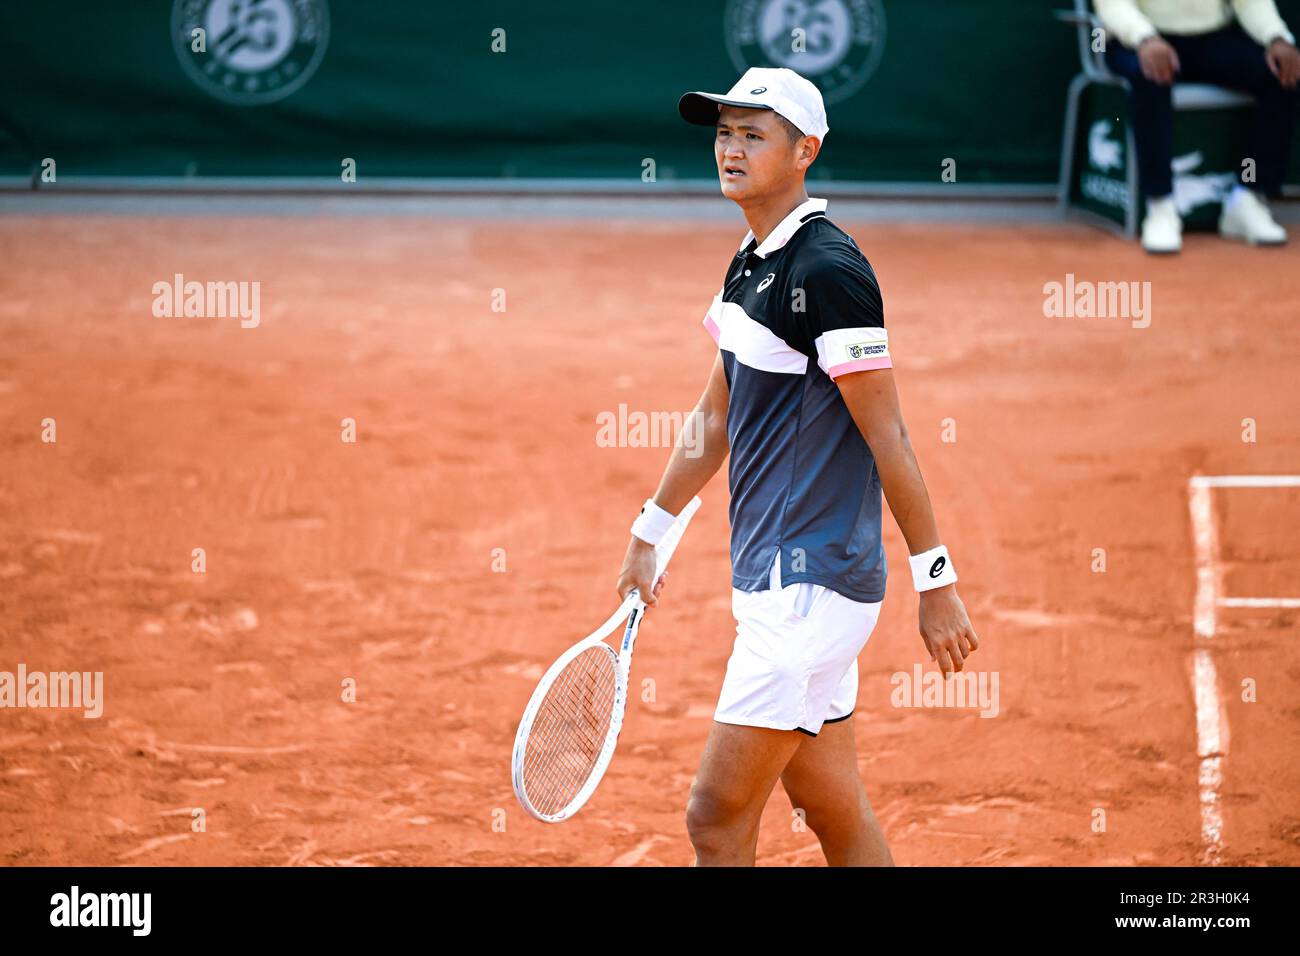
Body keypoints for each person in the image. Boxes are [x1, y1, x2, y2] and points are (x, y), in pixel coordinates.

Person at [614, 67, 979, 867]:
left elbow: (891, 437)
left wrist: (937, 581)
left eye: (754, 134)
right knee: (830, 804)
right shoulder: (752, 257)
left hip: (807, 586)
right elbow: (717, 415)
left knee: (714, 817)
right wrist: (652, 528)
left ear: (805, 150)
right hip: (780, 580)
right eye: (724, 132)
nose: (731, 149)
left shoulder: (829, 273)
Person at [1095, 0, 1300, 253]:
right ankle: (1160, 206)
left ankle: (1248, 196)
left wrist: (1277, 37)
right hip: (1135, 39)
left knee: (1280, 75)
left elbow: (1249, 3)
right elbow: (1112, 6)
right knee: (1151, 76)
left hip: (1211, 39)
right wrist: (1145, 38)